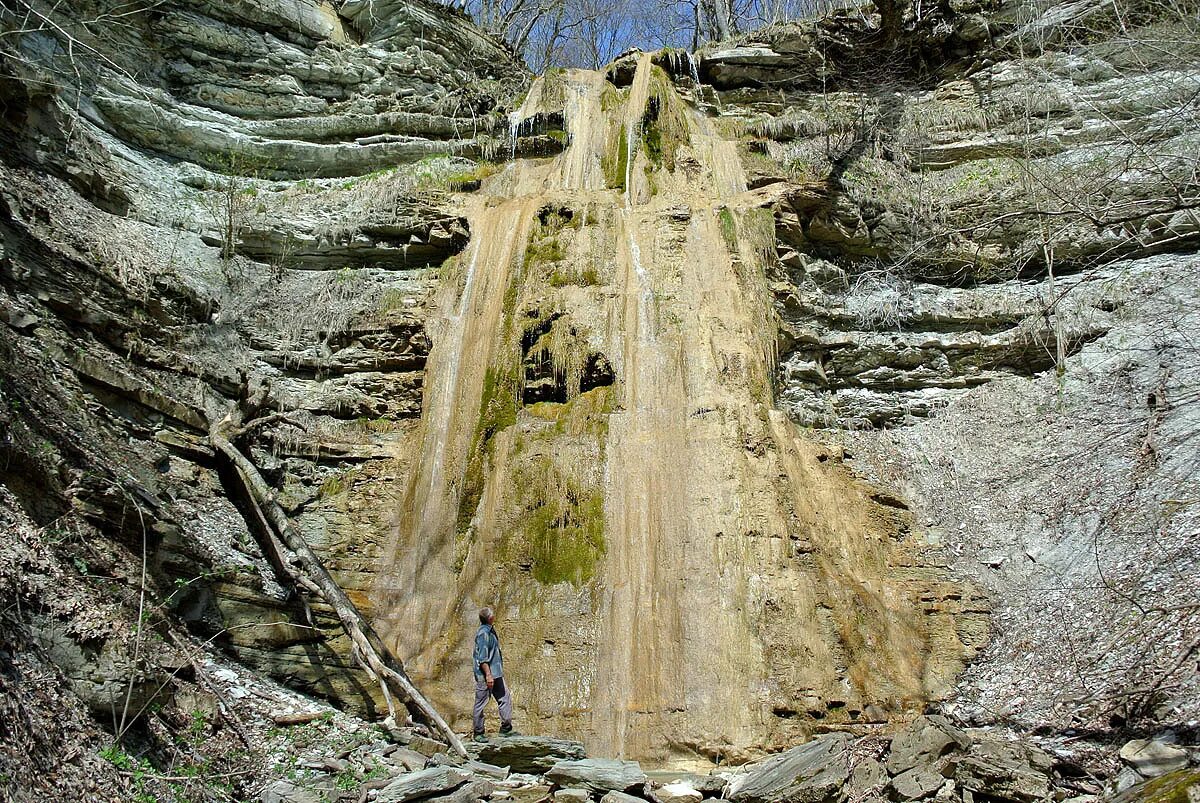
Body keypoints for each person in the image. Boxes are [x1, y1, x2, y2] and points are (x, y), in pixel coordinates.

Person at [472, 607, 517, 741]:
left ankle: (506, 729)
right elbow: (482, 658)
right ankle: (478, 733)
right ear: (490, 618)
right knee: (481, 703)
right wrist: (488, 675)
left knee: (505, 698)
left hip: (496, 673)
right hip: (486, 676)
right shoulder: (483, 634)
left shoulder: (490, 630)